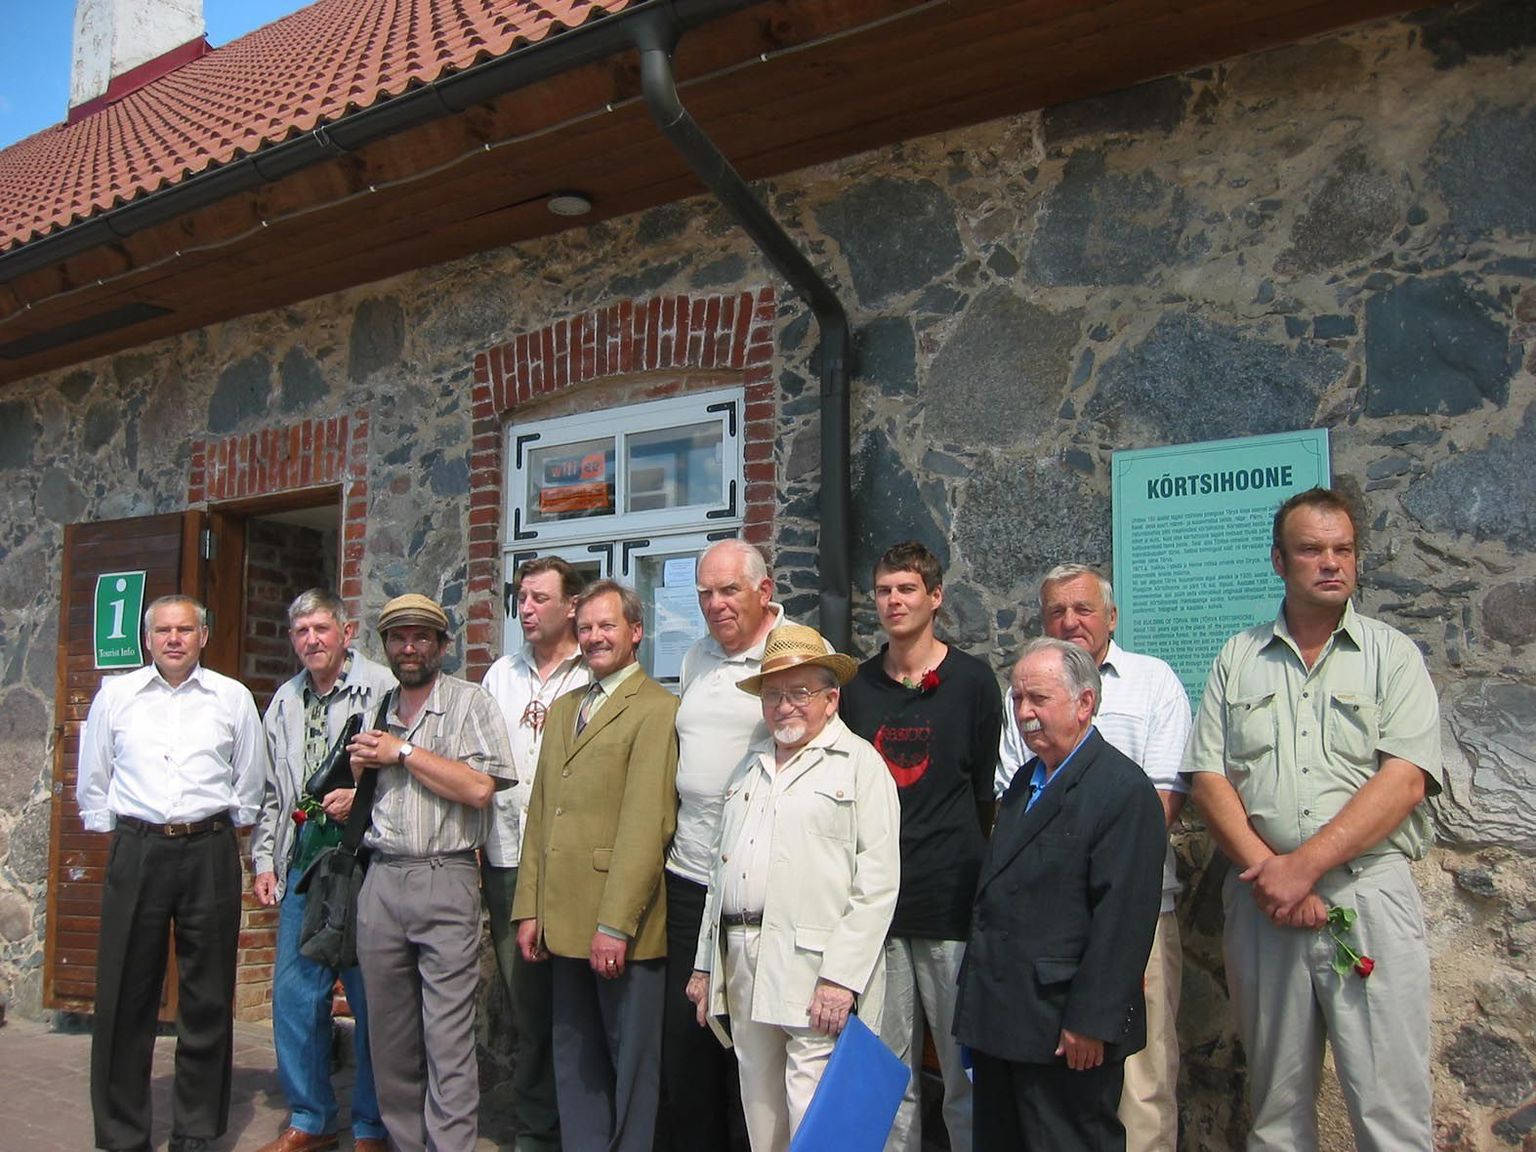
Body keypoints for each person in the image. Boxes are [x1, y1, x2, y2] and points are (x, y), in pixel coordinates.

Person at [1187, 487, 1442, 1151]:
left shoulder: (1394, 657)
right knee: (1275, 1114)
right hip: (1264, 904)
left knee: (1391, 1116)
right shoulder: (1236, 659)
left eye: (1342, 550)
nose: (1330, 563)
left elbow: (1404, 780)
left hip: (1365, 897)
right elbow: (1209, 778)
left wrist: (1302, 868)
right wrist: (1271, 873)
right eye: (1311, 550)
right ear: (1279, 560)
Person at [997, 565, 1191, 1152]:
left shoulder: (1154, 683)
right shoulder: (1028, 695)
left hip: (1135, 913)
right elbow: (1018, 799)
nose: (1069, 621)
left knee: (1143, 1076)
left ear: (1111, 616)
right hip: (1045, 928)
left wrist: (1092, 866)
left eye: (1083, 609)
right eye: (1056, 611)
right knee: (1061, 1086)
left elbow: (1161, 799)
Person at [686, 622, 900, 1152]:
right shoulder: (748, 766)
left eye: (800, 692)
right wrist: (703, 964)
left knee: (816, 1115)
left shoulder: (860, 766)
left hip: (814, 970)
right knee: (763, 1116)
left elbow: (877, 884)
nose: (784, 706)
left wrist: (841, 978)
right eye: (774, 694)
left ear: (831, 699)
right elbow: (721, 870)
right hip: (743, 960)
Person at [956, 638, 1165, 1152]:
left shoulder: (1122, 790)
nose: (1024, 713)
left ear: (1085, 704)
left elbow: (1124, 919)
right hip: (1004, 1021)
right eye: (1018, 699)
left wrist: (1091, 1022)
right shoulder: (1027, 780)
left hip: (1063, 1030)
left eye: (1039, 699)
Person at [77, 594, 265, 1152]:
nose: (174, 639)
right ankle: (120, 1133)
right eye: (163, 630)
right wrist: (113, 828)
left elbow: (249, 779)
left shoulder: (231, 698)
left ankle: (197, 1130)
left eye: (185, 629)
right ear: (148, 637)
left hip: (207, 847)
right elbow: (94, 777)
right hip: (138, 848)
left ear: (203, 636)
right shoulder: (116, 697)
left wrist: (234, 826)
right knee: (123, 995)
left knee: (207, 997)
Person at [838, 540, 1001, 1152]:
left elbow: (985, 793)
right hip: (878, 906)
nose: (893, 601)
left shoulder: (973, 683)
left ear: (935, 597)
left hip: (951, 902)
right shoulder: (857, 688)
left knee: (963, 1072)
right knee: (889, 1069)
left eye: (906, 589)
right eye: (883, 590)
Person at [512, 580, 680, 1152]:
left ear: (635, 633)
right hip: (561, 917)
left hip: (620, 924)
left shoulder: (657, 709)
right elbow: (540, 813)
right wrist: (530, 907)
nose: (594, 637)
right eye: (585, 627)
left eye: (607, 626)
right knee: (574, 1055)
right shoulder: (564, 709)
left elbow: (646, 823)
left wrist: (615, 924)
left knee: (631, 1062)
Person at [348, 593, 516, 1152]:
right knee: (389, 1036)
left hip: (445, 877)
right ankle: (405, 1142)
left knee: (447, 1038)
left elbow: (477, 789)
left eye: (422, 637)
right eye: (398, 637)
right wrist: (355, 790)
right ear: (387, 647)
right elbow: (376, 793)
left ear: (443, 646)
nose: (410, 647)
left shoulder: (472, 704)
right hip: (382, 879)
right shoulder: (377, 708)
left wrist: (402, 754)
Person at [250, 590, 395, 1152]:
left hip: (365, 861)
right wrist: (264, 859)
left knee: (370, 997)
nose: (312, 640)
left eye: (321, 629)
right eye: (302, 631)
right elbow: (268, 790)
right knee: (295, 995)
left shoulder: (382, 687)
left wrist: (356, 794)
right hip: (302, 860)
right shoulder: (284, 700)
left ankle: (370, 1123)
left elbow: (401, 773)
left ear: (345, 631)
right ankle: (310, 1117)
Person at [663, 539, 785, 1152]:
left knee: (753, 1052)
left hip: (757, 887)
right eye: (705, 593)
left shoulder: (794, 655)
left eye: (728, 590)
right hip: (689, 879)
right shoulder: (694, 659)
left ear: (764, 591)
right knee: (688, 1047)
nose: (715, 604)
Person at [482, 557, 589, 1152]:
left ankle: (581, 1125)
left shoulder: (592, 670)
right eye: (521, 597)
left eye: (539, 598)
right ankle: (534, 1130)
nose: (525, 608)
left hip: (571, 864)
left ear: (571, 605)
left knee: (575, 1004)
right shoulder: (501, 674)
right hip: (507, 858)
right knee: (525, 1003)